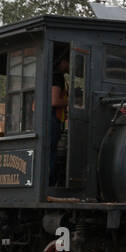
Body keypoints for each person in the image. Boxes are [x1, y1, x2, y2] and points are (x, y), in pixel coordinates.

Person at [49, 52, 69, 184]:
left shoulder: (52, 75)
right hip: (51, 119)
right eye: (69, 62)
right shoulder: (56, 77)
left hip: (52, 119)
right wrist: (71, 101)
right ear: (63, 62)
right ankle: (50, 182)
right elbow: (54, 101)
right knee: (51, 152)